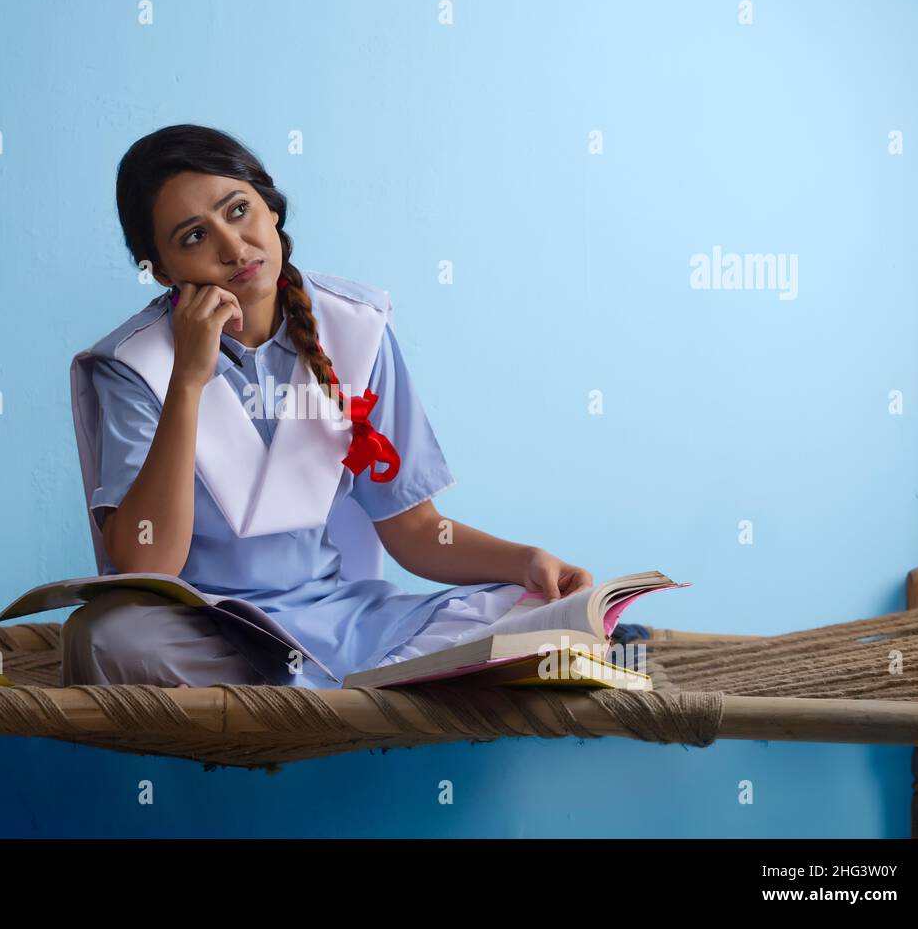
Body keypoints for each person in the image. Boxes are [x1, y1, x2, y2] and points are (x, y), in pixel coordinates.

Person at [62, 124, 592, 690]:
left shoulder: (354, 327)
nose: (232, 248)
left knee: (528, 610)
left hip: (339, 616)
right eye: (193, 237)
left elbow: (415, 529)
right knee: (104, 635)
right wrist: (189, 380)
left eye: (238, 210)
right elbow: (147, 561)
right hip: (201, 629)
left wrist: (529, 561)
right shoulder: (133, 363)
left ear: (270, 208)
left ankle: (326, 681)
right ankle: (353, 687)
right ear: (162, 270)